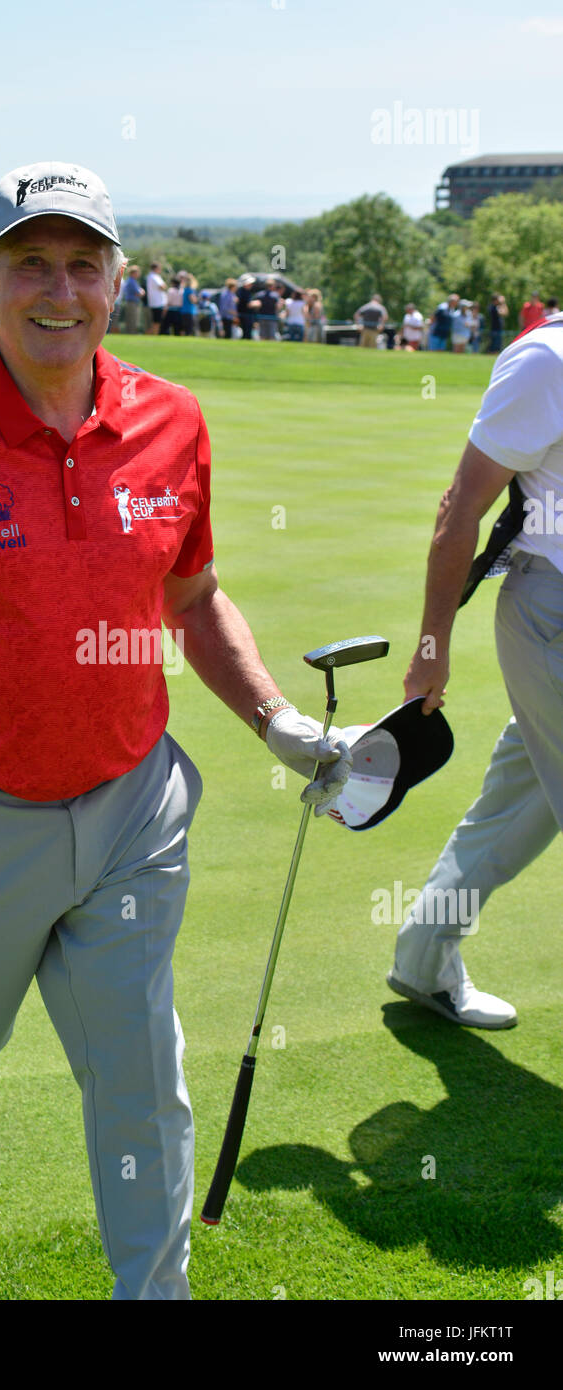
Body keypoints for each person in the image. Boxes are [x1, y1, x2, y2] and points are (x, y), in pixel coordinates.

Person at [0, 160, 352, 1301]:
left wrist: (280, 723)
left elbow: (189, 599)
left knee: (144, 1074)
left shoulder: (170, 420)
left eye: (82, 263)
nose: (60, 290)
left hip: (134, 800)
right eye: (30, 263)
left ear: (117, 279)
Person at [389, 303, 563, 1029]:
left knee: (522, 799)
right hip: (552, 612)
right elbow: (460, 506)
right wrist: (432, 645)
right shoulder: (546, 361)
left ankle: (425, 959)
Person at [120, 264, 144, 333]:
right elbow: (139, 293)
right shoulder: (131, 281)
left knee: (133, 319)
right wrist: (141, 292)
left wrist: (140, 292)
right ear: (133, 273)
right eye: (137, 272)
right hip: (132, 302)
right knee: (132, 319)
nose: (138, 274)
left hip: (132, 302)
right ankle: (131, 333)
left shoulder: (132, 280)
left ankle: (131, 332)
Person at [236, 274, 261, 340]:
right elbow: (247, 304)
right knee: (246, 333)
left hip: (246, 315)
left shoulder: (245, 291)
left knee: (247, 333)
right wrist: (256, 303)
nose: (251, 285)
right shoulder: (243, 292)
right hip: (245, 315)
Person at [145, 261, 167, 333]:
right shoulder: (154, 276)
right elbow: (162, 287)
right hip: (157, 303)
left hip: (155, 302)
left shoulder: (151, 276)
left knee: (156, 321)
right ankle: (153, 334)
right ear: (156, 268)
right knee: (157, 322)